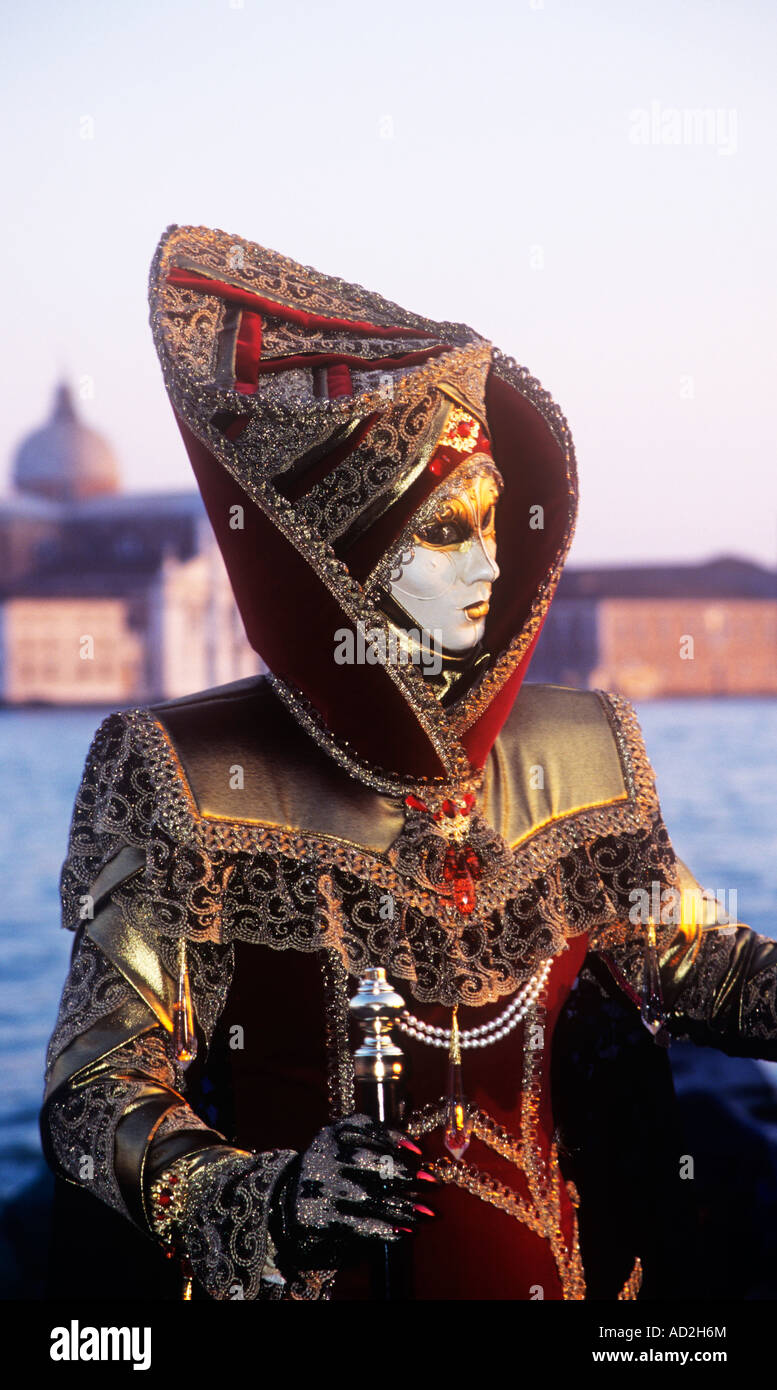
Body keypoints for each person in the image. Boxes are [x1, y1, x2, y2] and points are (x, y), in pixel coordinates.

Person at [40, 223, 777, 1301]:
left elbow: (694, 967)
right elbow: (98, 1091)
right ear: (355, 558)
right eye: (442, 534)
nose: (490, 561)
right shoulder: (184, 774)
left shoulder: (585, 753)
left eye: (488, 523)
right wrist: (269, 1200)